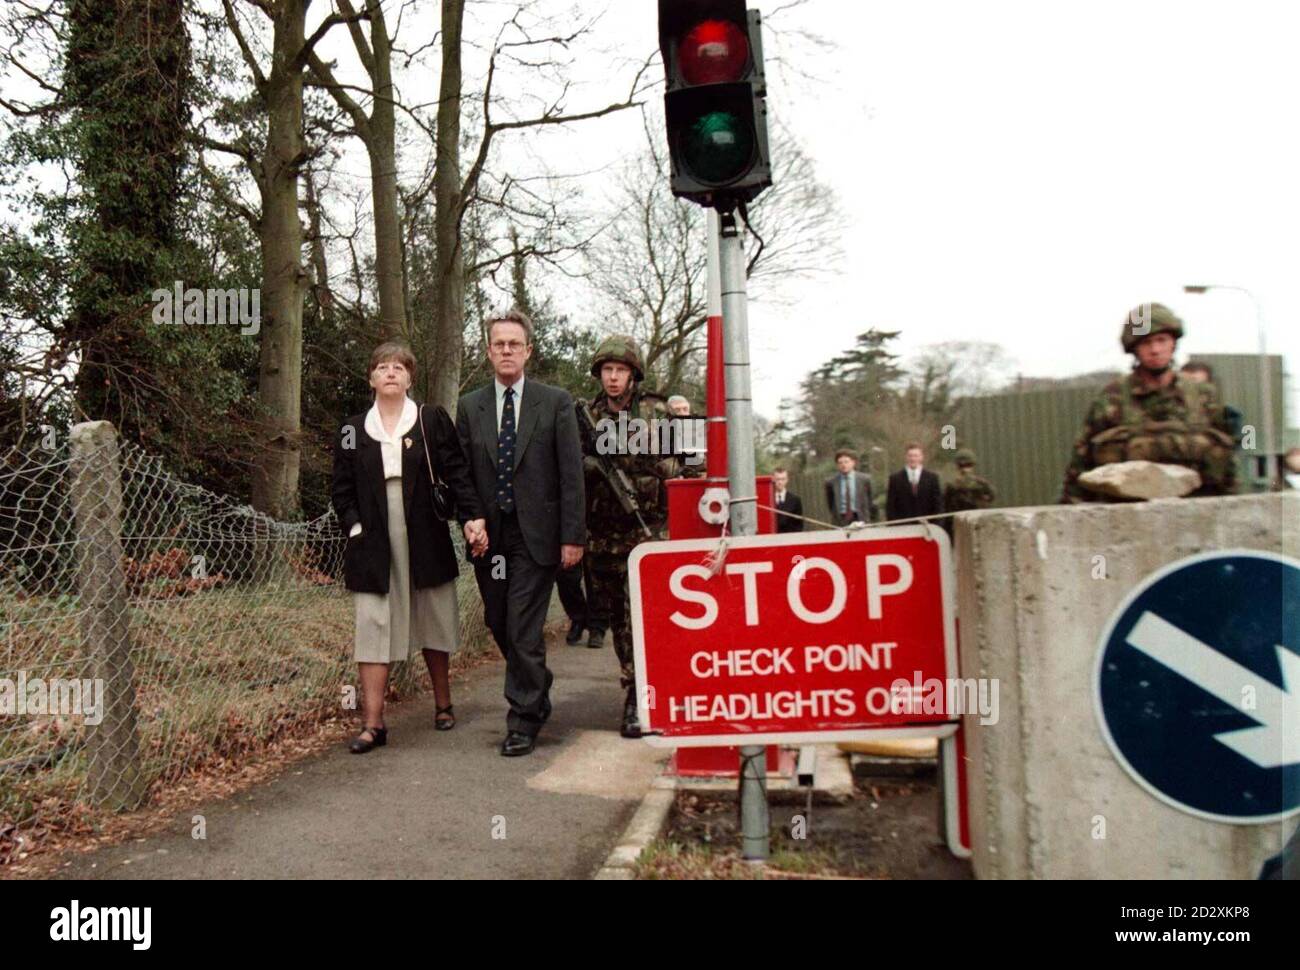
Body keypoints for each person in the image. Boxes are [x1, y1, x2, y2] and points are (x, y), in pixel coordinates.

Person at [331, 341, 485, 754]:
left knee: (432, 613)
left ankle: (443, 702)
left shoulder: (432, 420)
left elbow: (457, 472)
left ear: (410, 377)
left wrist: (471, 516)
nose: (391, 373)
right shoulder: (351, 428)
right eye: (382, 367)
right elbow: (341, 488)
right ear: (371, 378)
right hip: (372, 538)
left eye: (399, 367)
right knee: (373, 622)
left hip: (425, 531)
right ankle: (373, 724)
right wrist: (355, 527)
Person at [456, 309, 586, 757]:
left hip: (538, 537)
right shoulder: (470, 406)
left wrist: (573, 536)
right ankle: (538, 683)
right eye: (499, 344)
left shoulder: (554, 402)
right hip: (490, 539)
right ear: (489, 351)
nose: (506, 351)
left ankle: (524, 718)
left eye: (514, 344)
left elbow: (572, 473)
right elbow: (462, 474)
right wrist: (469, 517)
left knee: (522, 625)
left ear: (528, 350)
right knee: (498, 621)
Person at [578, 335, 680, 737]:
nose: (614, 378)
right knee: (618, 616)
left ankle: (640, 696)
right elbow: (570, 463)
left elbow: (690, 465)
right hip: (604, 535)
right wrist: (591, 466)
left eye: (620, 371)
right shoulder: (586, 414)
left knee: (641, 615)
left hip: (649, 532)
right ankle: (636, 687)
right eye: (607, 370)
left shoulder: (657, 411)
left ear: (634, 374)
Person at [1061, 304, 1237, 503]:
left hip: (1197, 514)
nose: (1155, 350)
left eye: (1161, 340)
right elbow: (1080, 466)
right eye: (1146, 343)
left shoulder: (1204, 396)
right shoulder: (1112, 399)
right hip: (1127, 517)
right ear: (1134, 349)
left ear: (1173, 343)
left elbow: (1229, 466)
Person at [941, 449, 995, 537]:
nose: (965, 469)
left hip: (977, 527)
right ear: (958, 468)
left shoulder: (981, 485)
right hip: (958, 529)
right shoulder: (952, 487)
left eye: (968, 466)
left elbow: (991, 497)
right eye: (962, 466)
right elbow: (946, 511)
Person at [886, 443, 944, 522]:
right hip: (903, 528)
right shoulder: (895, 479)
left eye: (916, 456)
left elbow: (938, 505)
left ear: (921, 457)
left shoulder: (932, 478)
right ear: (906, 457)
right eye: (910, 456)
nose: (913, 459)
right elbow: (890, 507)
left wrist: (936, 526)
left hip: (927, 527)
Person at [823, 448, 876, 526]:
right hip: (841, 519)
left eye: (846, 462)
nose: (843, 465)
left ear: (853, 462)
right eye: (840, 463)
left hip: (860, 517)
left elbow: (869, 500)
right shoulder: (831, 482)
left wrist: (868, 518)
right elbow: (830, 503)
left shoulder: (864, 479)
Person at [772, 467, 804, 533]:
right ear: (773, 480)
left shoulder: (795, 500)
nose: (780, 482)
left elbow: (799, 525)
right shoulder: (768, 499)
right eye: (778, 479)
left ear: (787, 480)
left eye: (783, 479)